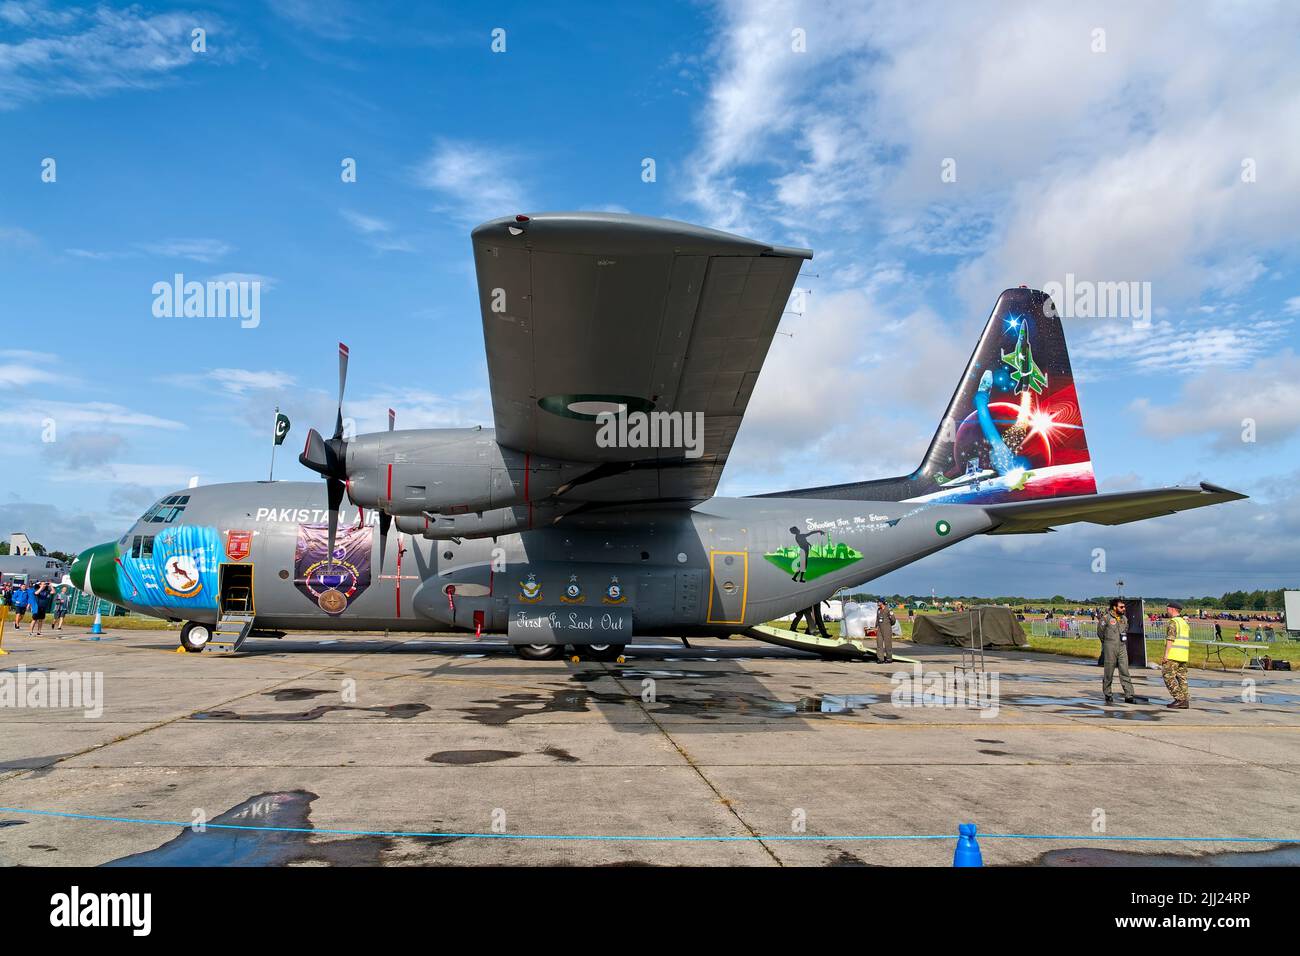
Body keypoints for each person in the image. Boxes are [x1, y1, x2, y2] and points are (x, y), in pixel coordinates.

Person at [1099, 598, 1138, 704]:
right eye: (1121, 607)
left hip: (1122, 646)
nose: (1124, 609)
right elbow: (1100, 632)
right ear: (1114, 607)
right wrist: (1107, 642)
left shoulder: (1124, 619)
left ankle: (1129, 695)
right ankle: (1108, 693)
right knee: (1109, 671)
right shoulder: (1106, 618)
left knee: (1125, 670)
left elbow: (1126, 629)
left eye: (1124, 607)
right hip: (1110, 646)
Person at [1162, 600, 1192, 709]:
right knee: (1182, 678)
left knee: (1168, 676)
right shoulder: (1184, 622)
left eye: (1167, 609)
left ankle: (1179, 699)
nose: (1167, 611)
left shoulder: (1173, 622)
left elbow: (1170, 639)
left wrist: (1166, 655)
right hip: (1183, 655)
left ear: (1172, 609)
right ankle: (1185, 700)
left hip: (1173, 655)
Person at [875, 598, 896, 663]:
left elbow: (893, 620)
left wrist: (888, 625)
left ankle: (889, 659)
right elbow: (877, 619)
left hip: (887, 629)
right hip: (880, 629)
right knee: (879, 644)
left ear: (882, 602)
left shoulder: (889, 610)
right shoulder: (878, 610)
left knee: (888, 644)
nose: (877, 603)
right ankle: (880, 659)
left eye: (878, 602)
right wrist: (876, 626)